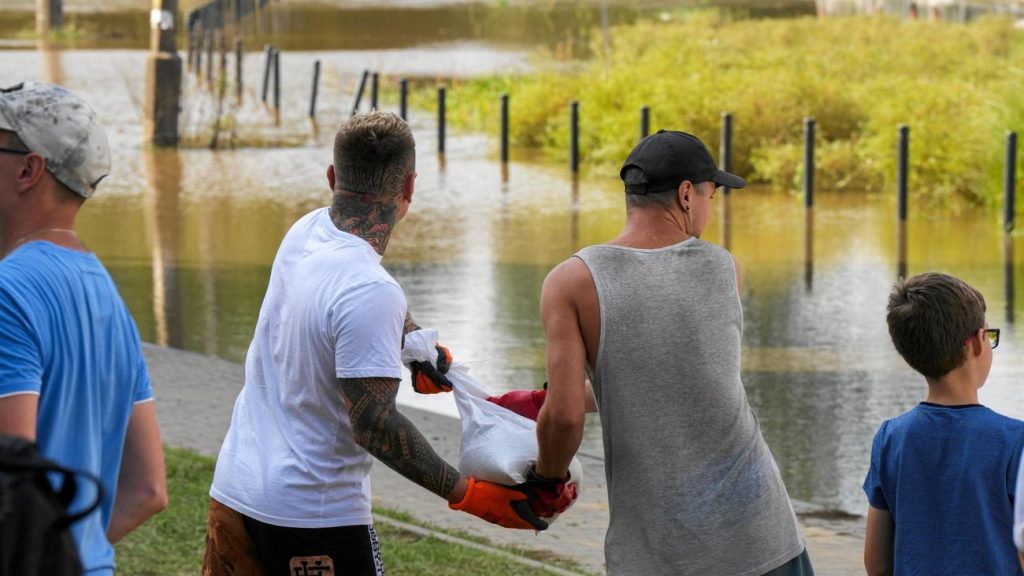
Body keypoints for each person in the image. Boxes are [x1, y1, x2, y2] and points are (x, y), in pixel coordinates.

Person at [203, 111, 574, 576]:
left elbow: (352, 296)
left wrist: (415, 343)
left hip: (237, 492)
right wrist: (469, 494)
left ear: (333, 177)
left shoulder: (308, 229)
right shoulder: (370, 290)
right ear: (410, 188)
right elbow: (374, 424)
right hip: (312, 518)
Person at [534, 129, 811, 575]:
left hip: (658, 553)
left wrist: (546, 479)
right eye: (711, 194)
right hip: (763, 538)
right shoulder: (725, 269)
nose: (710, 208)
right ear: (686, 194)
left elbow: (565, 417)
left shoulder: (571, 281)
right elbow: (681, 379)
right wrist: (552, 400)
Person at [0, 81, 167, 574]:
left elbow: (11, 477)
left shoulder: (8, 292)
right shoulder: (109, 299)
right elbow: (149, 490)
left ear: (28, 170)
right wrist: (70, 553)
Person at [864, 272, 1024, 575]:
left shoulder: (890, 438)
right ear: (977, 343)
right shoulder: (1015, 441)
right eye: (990, 336)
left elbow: (876, 564)